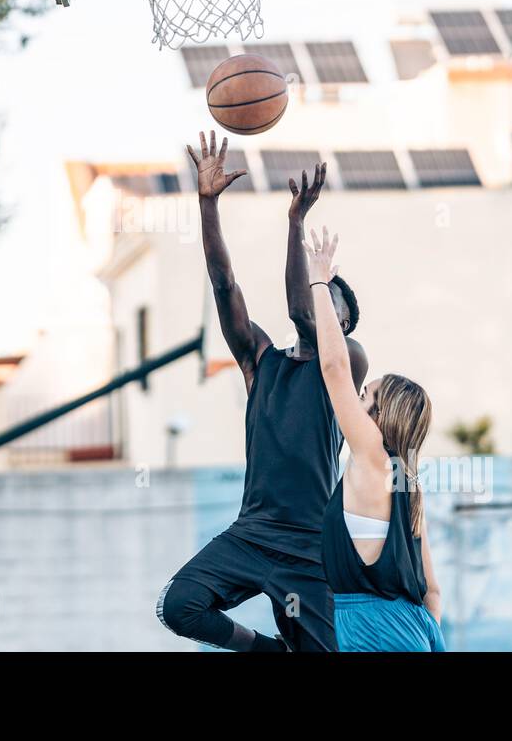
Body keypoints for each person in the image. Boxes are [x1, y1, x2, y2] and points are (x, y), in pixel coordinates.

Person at [155, 132, 367, 652]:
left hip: (310, 547)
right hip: (253, 536)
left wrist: (294, 224)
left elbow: (301, 310)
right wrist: (207, 204)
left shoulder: (346, 363)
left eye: (331, 302)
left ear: (342, 323)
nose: (321, 304)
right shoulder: (261, 361)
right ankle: (267, 650)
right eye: (322, 291)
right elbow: (224, 283)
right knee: (178, 605)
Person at [304, 225, 446, 651]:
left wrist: (319, 279)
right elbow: (432, 594)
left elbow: (334, 368)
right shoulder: (410, 489)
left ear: (380, 417)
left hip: (380, 636)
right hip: (413, 635)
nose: (356, 397)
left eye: (365, 395)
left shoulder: (372, 455)